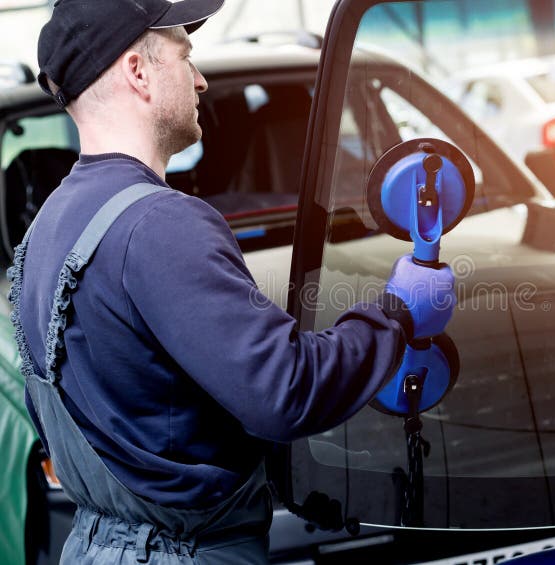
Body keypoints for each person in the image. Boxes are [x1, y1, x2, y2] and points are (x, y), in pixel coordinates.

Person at [9, 0, 456, 563]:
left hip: (96, 546)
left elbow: (88, 420)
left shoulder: (45, 232)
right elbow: (286, 391)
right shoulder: (160, 224)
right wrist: (397, 313)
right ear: (137, 71)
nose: (199, 78)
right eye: (184, 54)